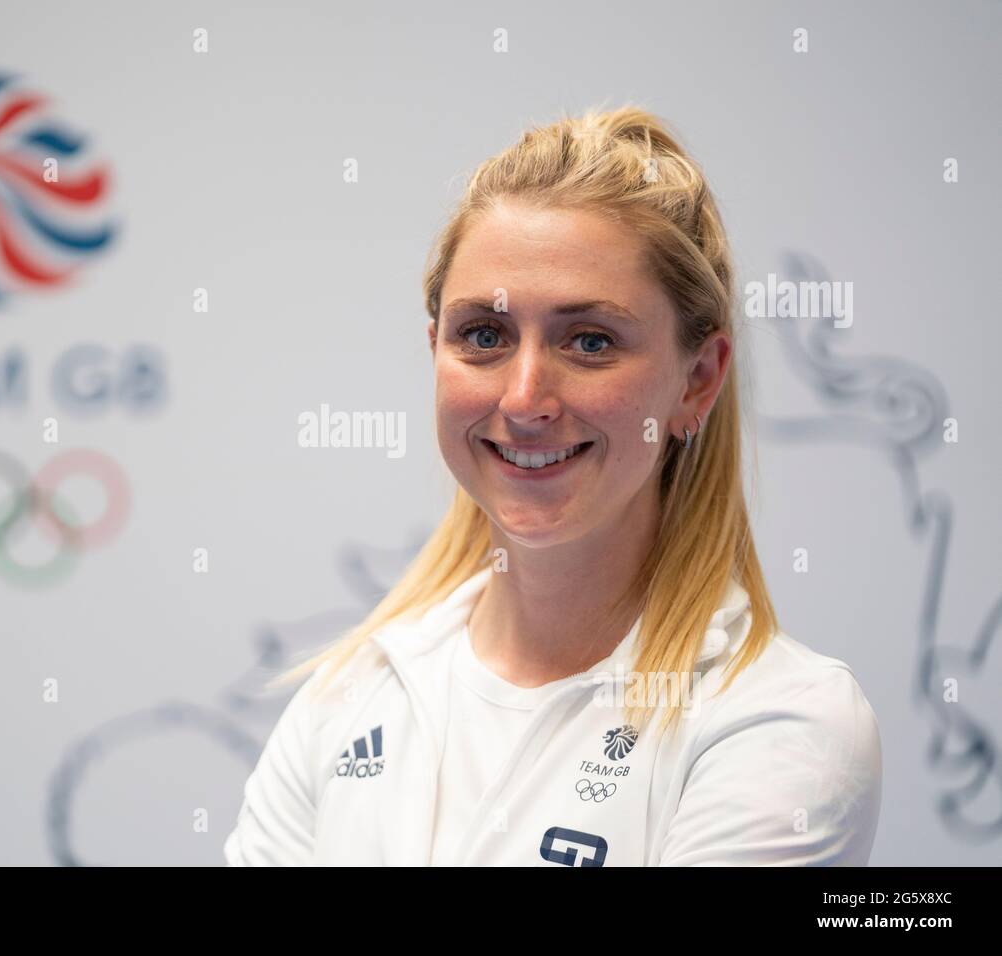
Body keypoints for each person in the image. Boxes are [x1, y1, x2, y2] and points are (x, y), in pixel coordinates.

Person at [223, 105, 882, 866]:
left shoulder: (780, 724)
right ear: (435, 350)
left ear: (697, 381)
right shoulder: (351, 695)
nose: (525, 397)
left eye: (591, 341)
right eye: (485, 336)